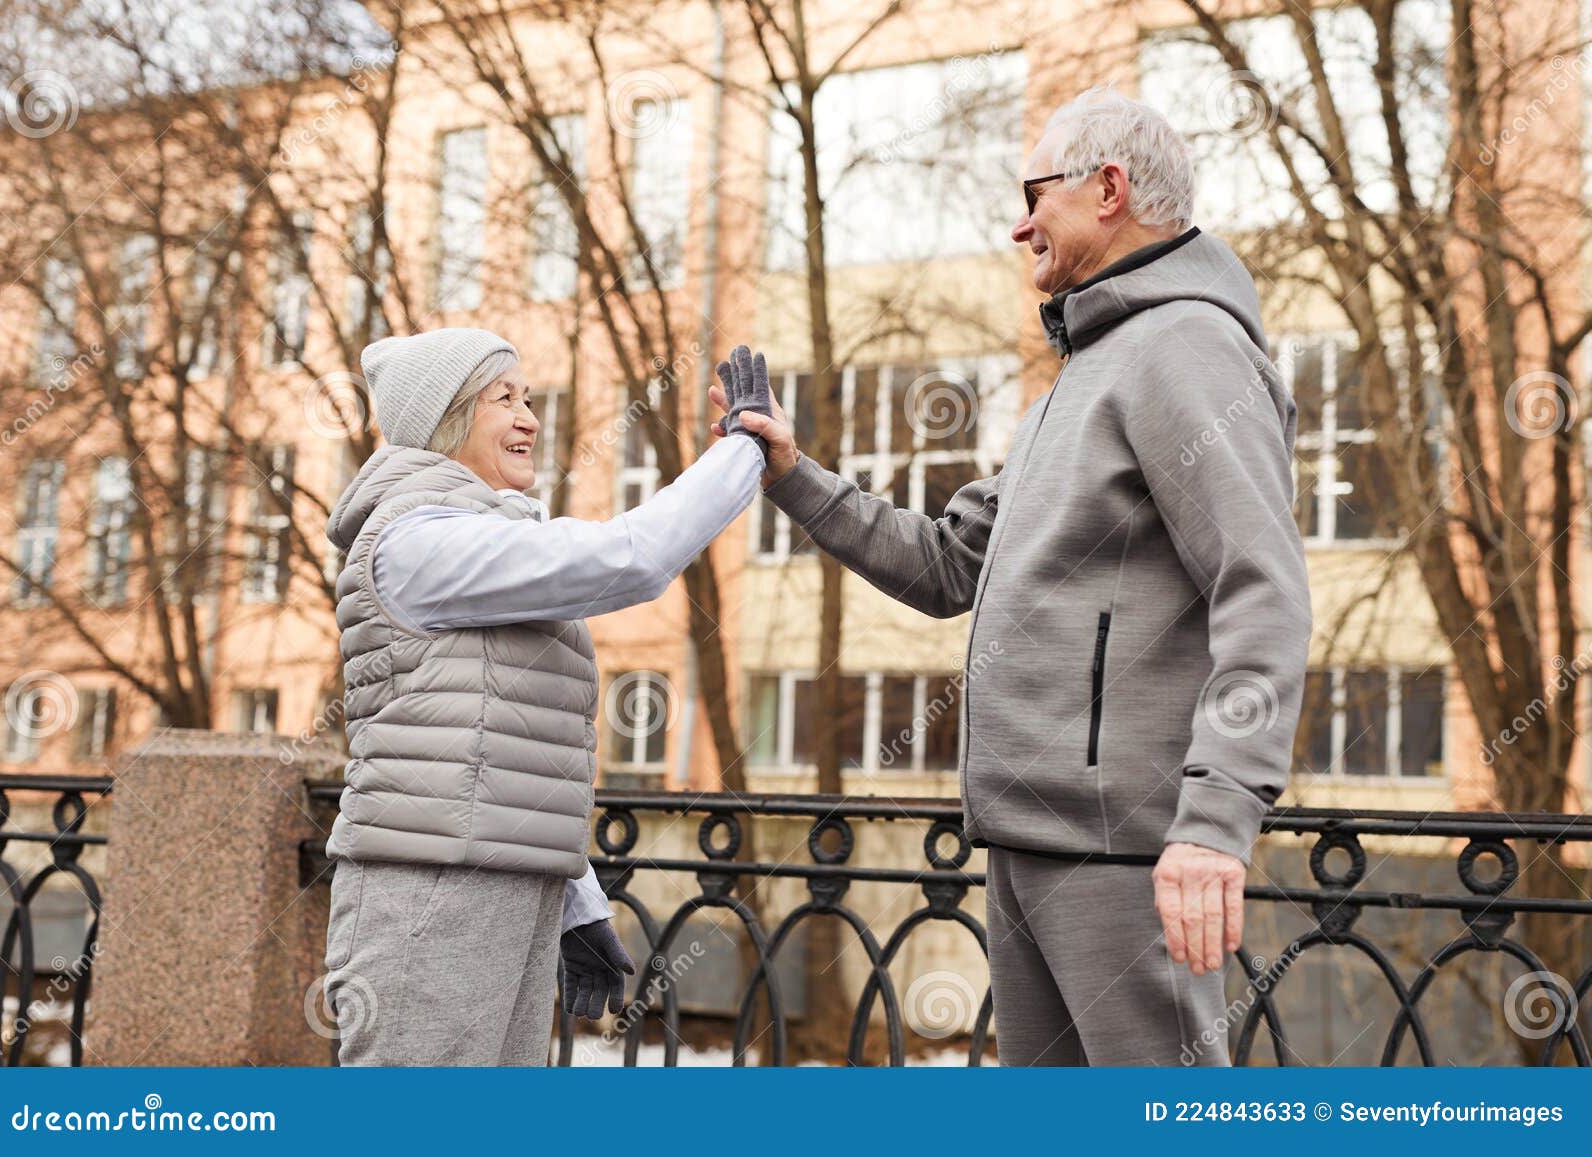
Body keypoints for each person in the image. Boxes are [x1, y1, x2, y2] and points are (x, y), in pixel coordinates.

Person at [710, 87, 1312, 1066]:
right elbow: (950, 562)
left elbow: (1264, 589)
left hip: (1128, 850)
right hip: (1031, 838)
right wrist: (789, 474)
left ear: (1107, 188)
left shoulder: (1187, 347)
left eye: (1036, 193)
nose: (1018, 220)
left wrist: (1213, 819)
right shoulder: (1079, 380)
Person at [322, 329, 772, 1065]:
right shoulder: (416, 541)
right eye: (505, 399)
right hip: (427, 900)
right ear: (445, 420)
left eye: (528, 398)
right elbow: (633, 557)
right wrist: (744, 449)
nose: (530, 418)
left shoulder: (474, 542)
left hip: (498, 896)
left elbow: (497, 751)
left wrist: (573, 893)